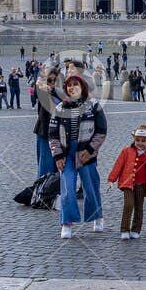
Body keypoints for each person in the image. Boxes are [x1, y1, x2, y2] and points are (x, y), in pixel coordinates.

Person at [49, 73, 108, 239]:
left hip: (86, 151)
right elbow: (52, 134)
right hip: (66, 153)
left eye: (76, 84)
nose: (72, 87)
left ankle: (97, 216)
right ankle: (66, 223)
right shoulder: (60, 108)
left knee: (91, 187)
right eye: (69, 85)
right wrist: (57, 155)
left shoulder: (94, 106)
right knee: (67, 189)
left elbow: (101, 130)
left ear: (82, 87)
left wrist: (90, 150)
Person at [107, 123, 146, 241]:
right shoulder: (126, 151)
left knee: (139, 207)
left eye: (143, 140)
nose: (140, 143)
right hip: (128, 184)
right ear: (134, 139)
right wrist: (111, 180)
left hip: (142, 185)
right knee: (128, 205)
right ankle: (124, 229)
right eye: (137, 140)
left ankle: (136, 229)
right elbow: (118, 165)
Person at [33, 67, 61, 179]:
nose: (53, 83)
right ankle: (44, 192)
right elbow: (36, 92)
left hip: (59, 135)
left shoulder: (60, 92)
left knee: (57, 168)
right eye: (50, 80)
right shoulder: (42, 92)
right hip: (45, 133)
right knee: (46, 168)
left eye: (55, 80)